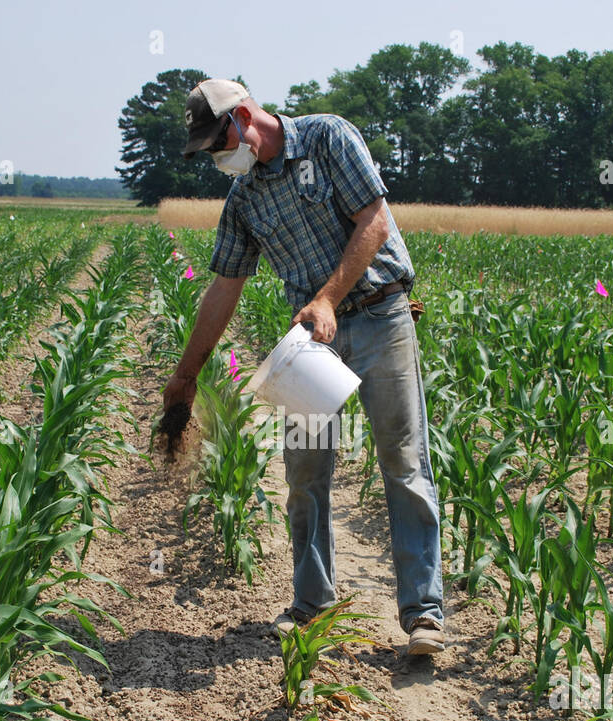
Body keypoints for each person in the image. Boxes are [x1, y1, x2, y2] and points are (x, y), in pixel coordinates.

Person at [162, 78, 445, 656]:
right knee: (305, 471)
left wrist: (327, 297)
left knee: (402, 459)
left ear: (243, 117)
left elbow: (375, 223)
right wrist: (186, 374)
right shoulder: (244, 201)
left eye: (219, 142)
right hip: (313, 338)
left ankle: (423, 614)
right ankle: (311, 603)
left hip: (380, 314)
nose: (219, 157)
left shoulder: (327, 137)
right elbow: (223, 289)